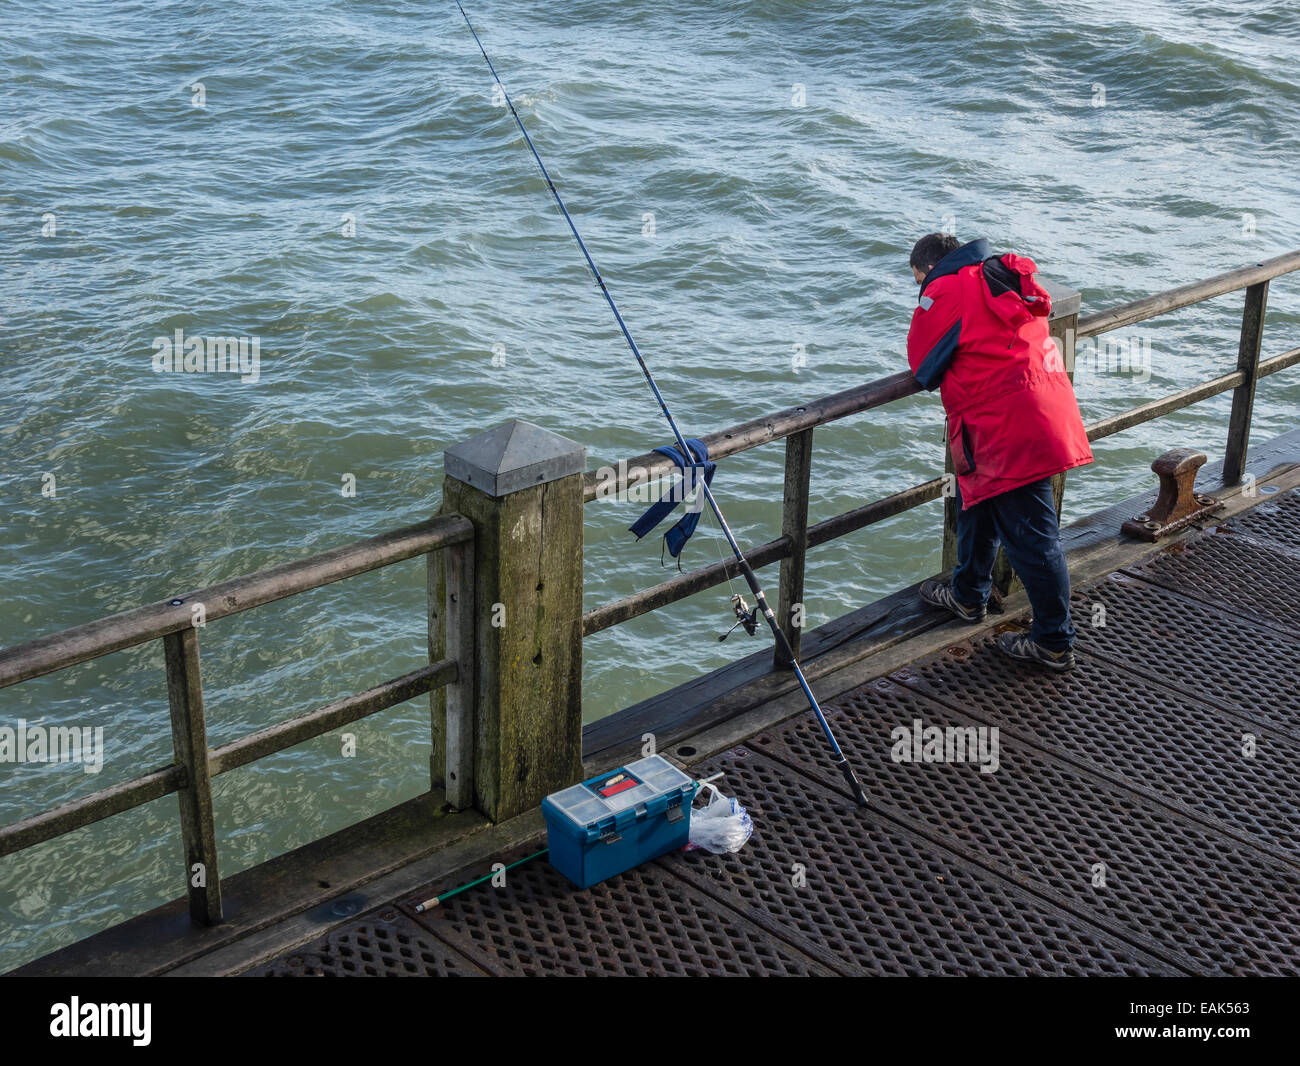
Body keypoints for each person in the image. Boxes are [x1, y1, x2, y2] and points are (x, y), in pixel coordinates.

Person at [905, 233, 1093, 671]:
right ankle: (969, 594)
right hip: (1040, 407)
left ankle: (1054, 641)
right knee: (980, 503)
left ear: (928, 269)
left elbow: (922, 365)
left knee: (1034, 539)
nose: (919, 289)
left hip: (1005, 427)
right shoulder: (996, 273)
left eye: (917, 280)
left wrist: (926, 303)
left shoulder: (946, 288)